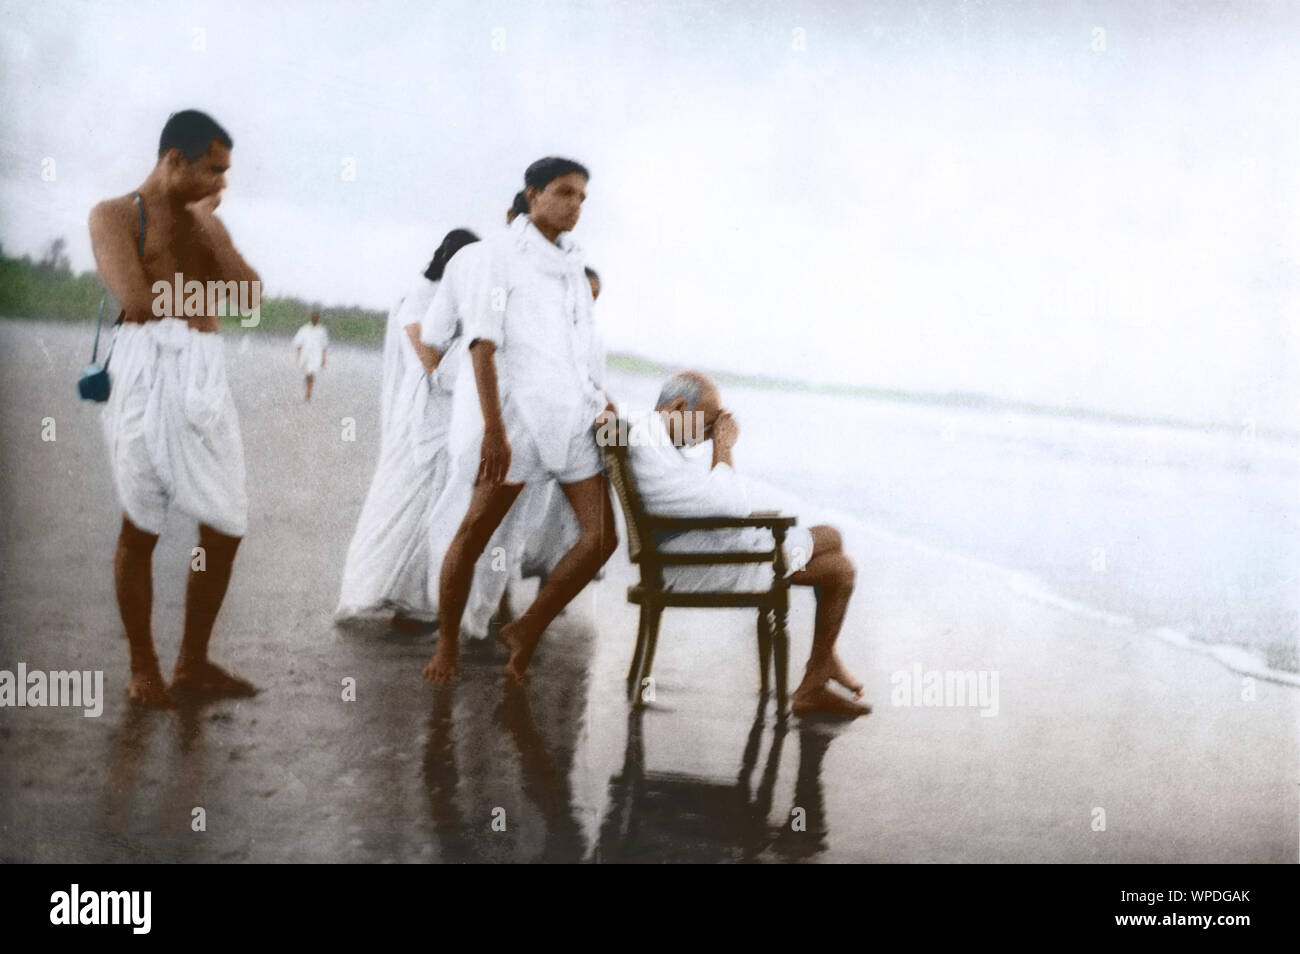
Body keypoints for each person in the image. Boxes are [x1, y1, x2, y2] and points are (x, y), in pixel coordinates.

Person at [87, 109, 259, 708]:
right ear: (174, 160)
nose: (222, 185)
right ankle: (144, 668)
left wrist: (210, 234)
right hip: (144, 370)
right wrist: (201, 289)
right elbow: (135, 297)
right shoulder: (114, 215)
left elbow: (251, 298)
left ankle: (192, 661)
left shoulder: (207, 224)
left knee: (228, 522)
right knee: (142, 521)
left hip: (202, 372)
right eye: (214, 170)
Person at [422, 157, 616, 686]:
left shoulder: (573, 264)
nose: (575, 205)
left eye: (581, 197)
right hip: (514, 417)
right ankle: (446, 647)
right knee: (476, 531)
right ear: (532, 195)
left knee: (601, 539)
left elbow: (577, 349)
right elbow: (482, 345)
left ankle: (525, 628)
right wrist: (492, 430)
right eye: (564, 193)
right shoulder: (497, 256)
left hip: (570, 418)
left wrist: (602, 399)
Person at [620, 371, 870, 718]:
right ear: (678, 406)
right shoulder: (652, 446)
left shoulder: (649, 434)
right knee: (838, 564)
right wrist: (724, 446)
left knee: (832, 544)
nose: (706, 438)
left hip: (700, 558)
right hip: (701, 569)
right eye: (708, 427)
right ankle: (817, 675)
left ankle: (823, 666)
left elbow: (710, 502)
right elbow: (730, 506)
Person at [335, 229, 479, 627]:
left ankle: (416, 601)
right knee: (397, 499)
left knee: (438, 506)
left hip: (452, 416)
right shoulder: (418, 297)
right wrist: (469, 344)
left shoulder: (462, 303)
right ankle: (368, 591)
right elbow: (430, 359)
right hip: (418, 417)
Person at [293, 311, 329, 401]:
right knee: (309, 373)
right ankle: (309, 387)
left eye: (317, 318)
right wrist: (298, 356)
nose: (315, 320)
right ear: (311, 318)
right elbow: (298, 343)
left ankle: (309, 392)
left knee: (310, 372)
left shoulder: (321, 331)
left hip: (316, 355)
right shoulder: (304, 329)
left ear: (318, 319)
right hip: (306, 354)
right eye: (314, 318)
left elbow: (324, 346)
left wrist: (324, 359)